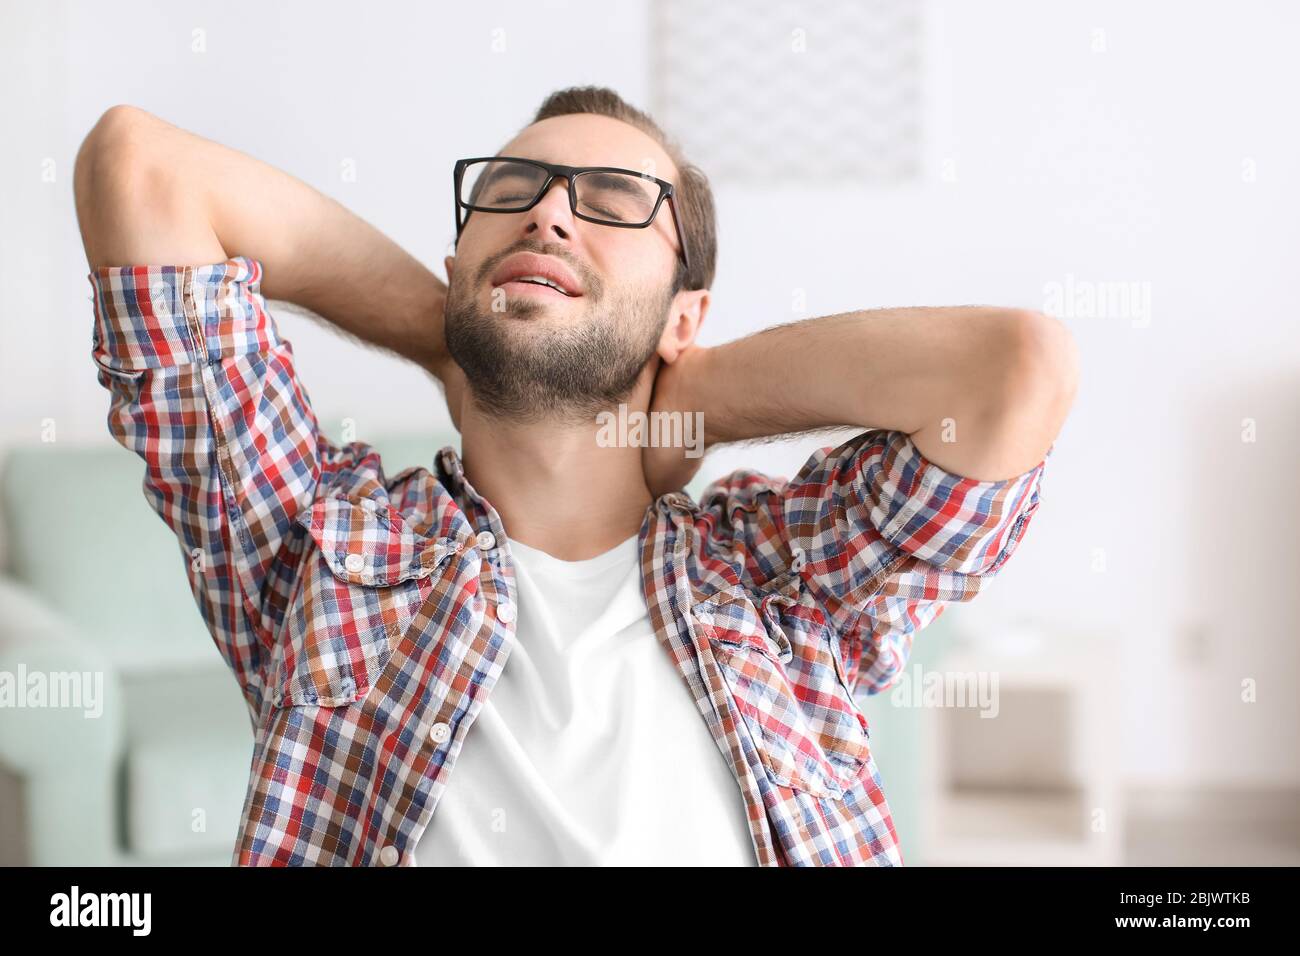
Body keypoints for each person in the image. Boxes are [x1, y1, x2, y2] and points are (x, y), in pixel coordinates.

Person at [74, 86, 1077, 866]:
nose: (548, 211)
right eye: (510, 191)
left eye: (611, 200)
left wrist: (693, 399)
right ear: (455, 258)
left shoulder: (785, 577)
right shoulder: (316, 545)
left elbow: (1009, 372)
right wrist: (457, 333)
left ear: (686, 315)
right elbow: (142, 170)